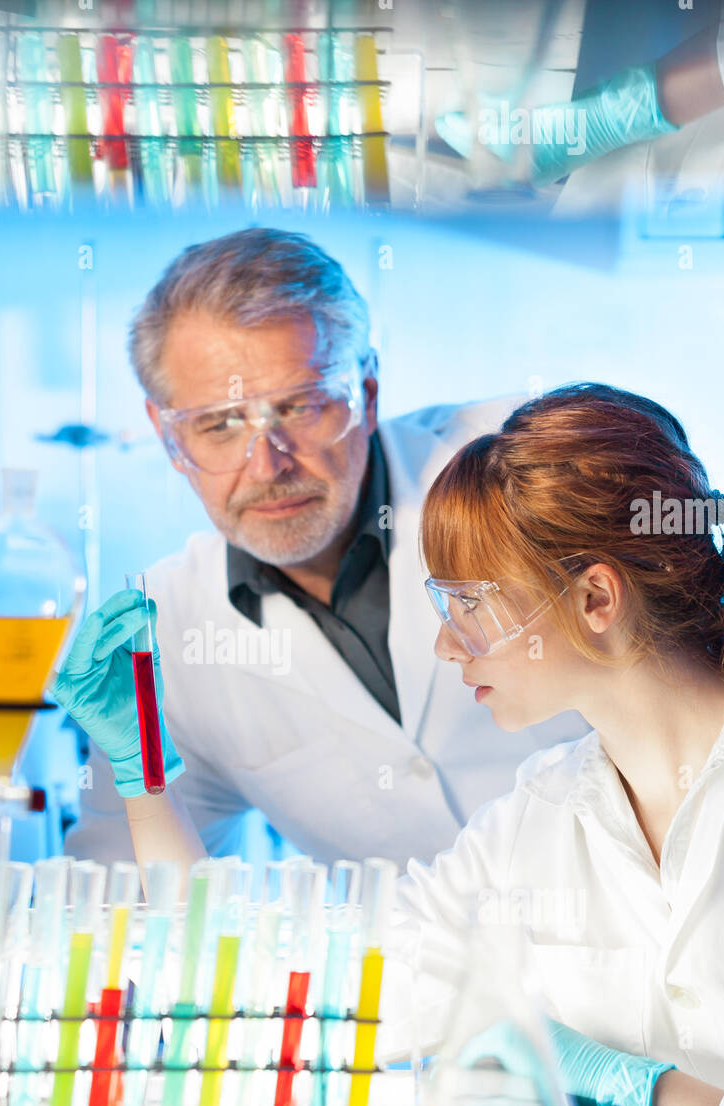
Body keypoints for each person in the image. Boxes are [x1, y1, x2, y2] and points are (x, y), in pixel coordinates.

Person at [54, 380, 724, 1106]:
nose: (450, 647)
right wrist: (144, 778)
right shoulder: (543, 821)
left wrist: (651, 1095)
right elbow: (295, 1002)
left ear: (597, 599)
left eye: (470, 604)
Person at [62, 228, 584, 868]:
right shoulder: (169, 635)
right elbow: (125, 899)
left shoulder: (526, 469)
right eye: (220, 425)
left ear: (365, 393)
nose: (267, 465)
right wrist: (133, 774)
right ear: (164, 434)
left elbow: (710, 705)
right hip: (404, 967)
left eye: (302, 406)